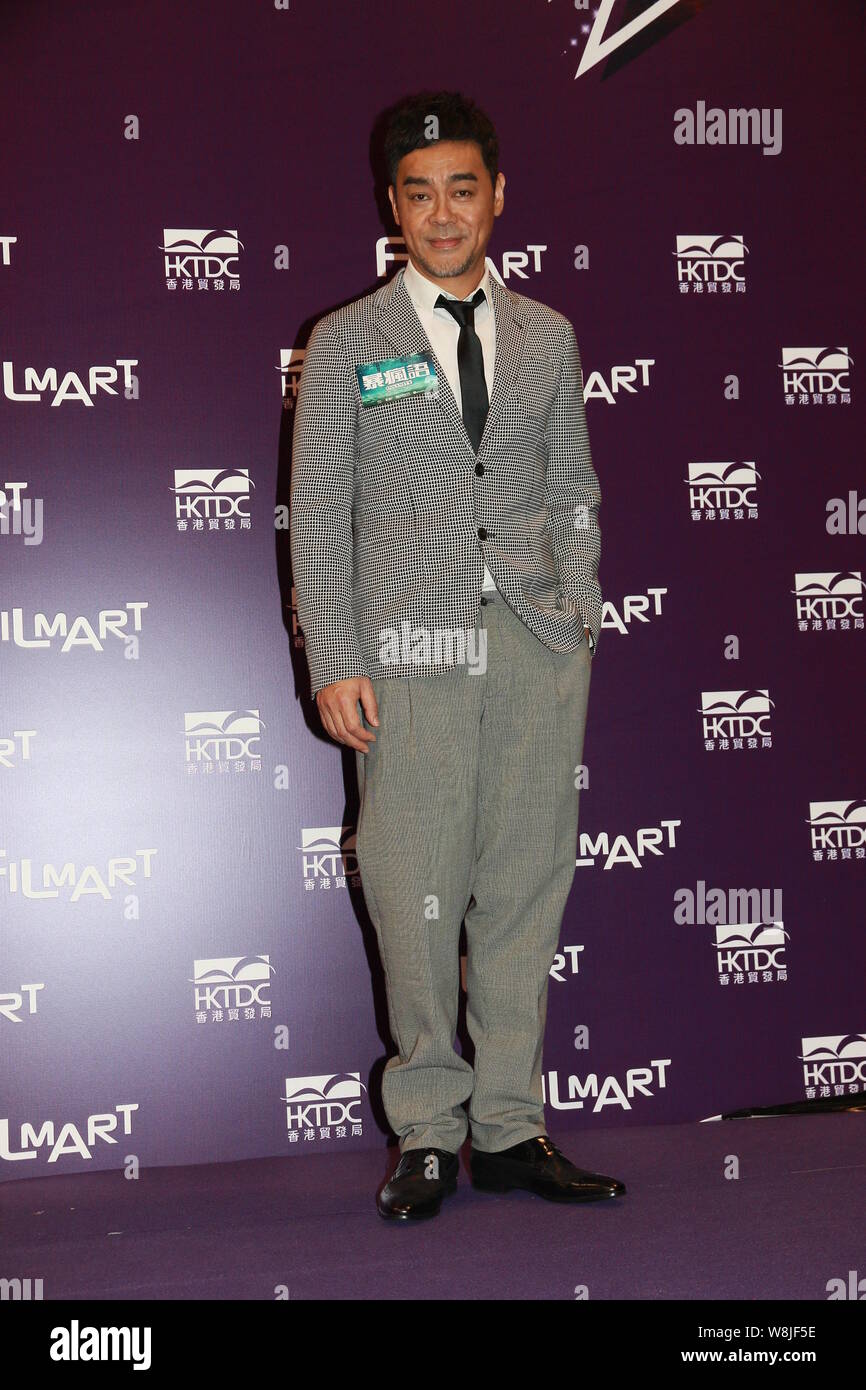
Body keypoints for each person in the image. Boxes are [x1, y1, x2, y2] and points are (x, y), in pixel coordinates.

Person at [290, 90, 625, 1220]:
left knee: (525, 888)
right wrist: (333, 656)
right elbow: (318, 512)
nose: (443, 214)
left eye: (462, 189)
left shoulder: (547, 336)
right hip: (405, 656)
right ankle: (429, 1131)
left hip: (533, 647)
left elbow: (573, 491)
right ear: (393, 206)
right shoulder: (345, 343)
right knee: (414, 891)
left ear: (495, 198)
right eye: (419, 193)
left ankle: (512, 1125)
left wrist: (576, 607)